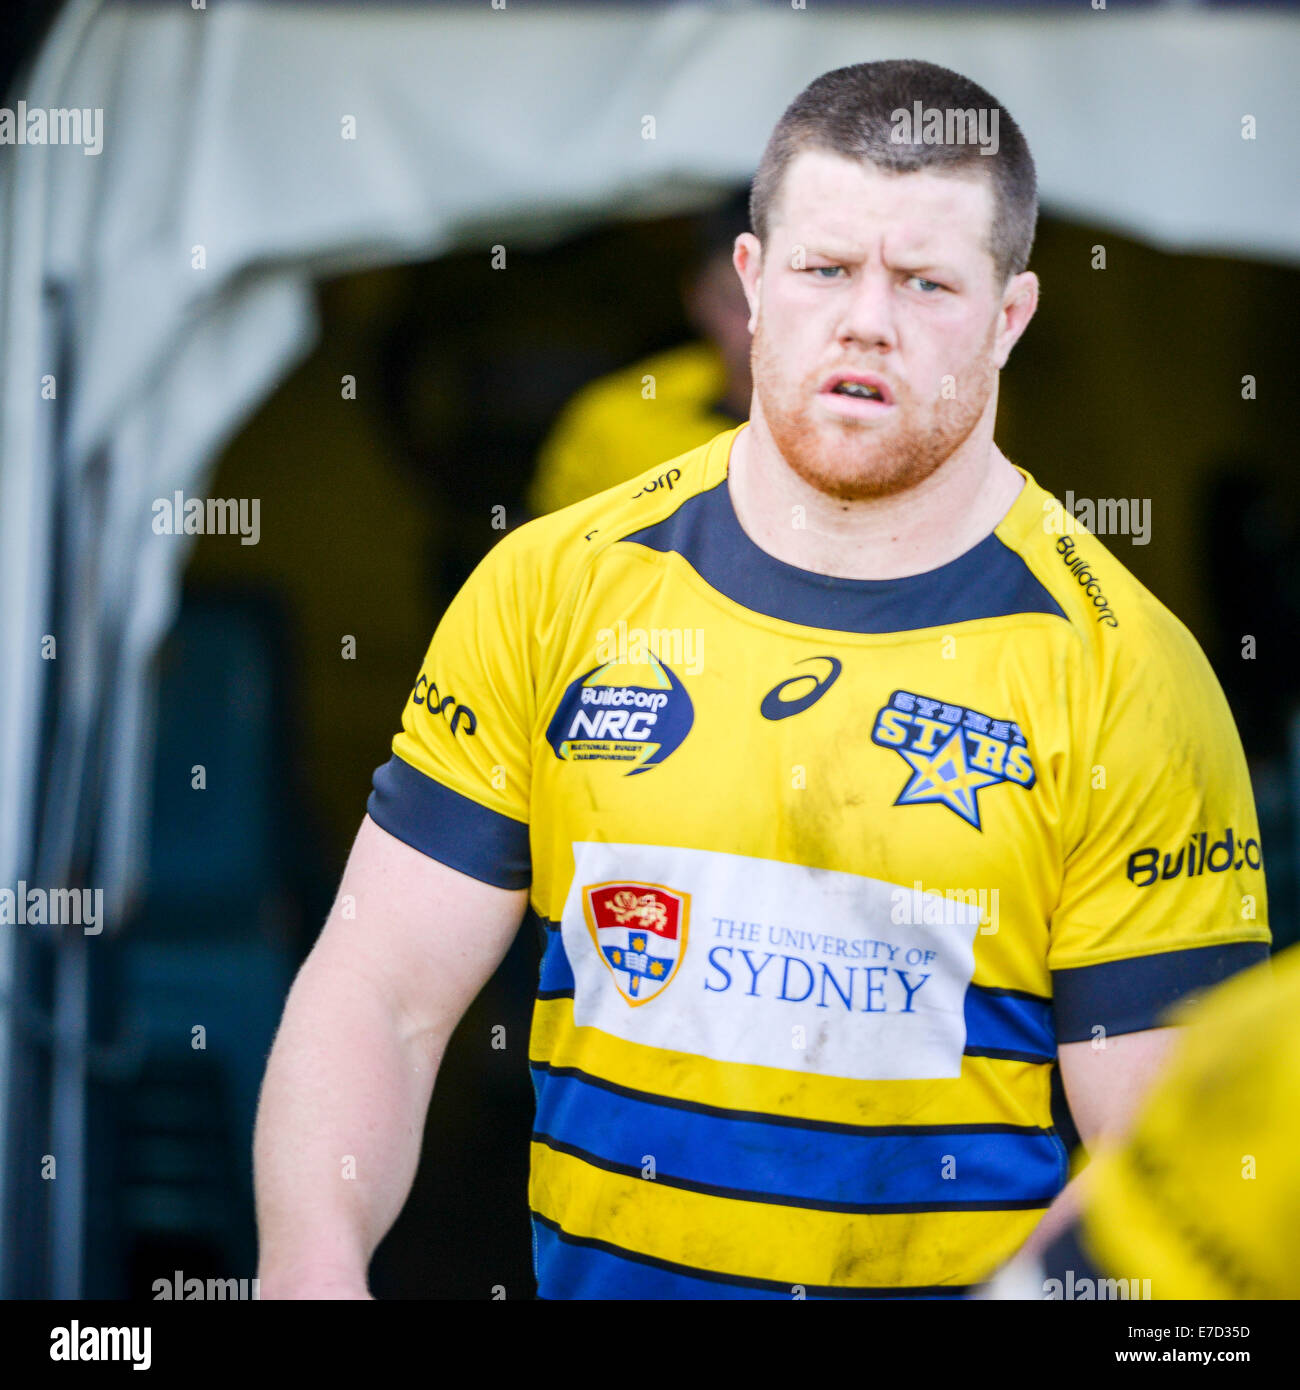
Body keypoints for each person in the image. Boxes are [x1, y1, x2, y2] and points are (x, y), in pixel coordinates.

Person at [252, 59, 1271, 1300]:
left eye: (927, 283)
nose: (867, 321)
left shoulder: (1129, 677)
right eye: (824, 269)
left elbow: (1156, 1152)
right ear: (748, 280)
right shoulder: (550, 586)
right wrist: (308, 1262)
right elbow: (379, 990)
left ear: (1010, 315)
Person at [979, 945, 1297, 1300]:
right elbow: (1116, 1157)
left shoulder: (1271, 1005)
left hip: (1086, 1259)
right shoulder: (1274, 1009)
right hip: (1096, 1251)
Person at [524, 186, 754, 518]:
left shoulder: (838, 421)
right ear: (697, 298)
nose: (759, 323)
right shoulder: (616, 421)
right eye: (738, 301)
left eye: (784, 299)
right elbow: (550, 546)